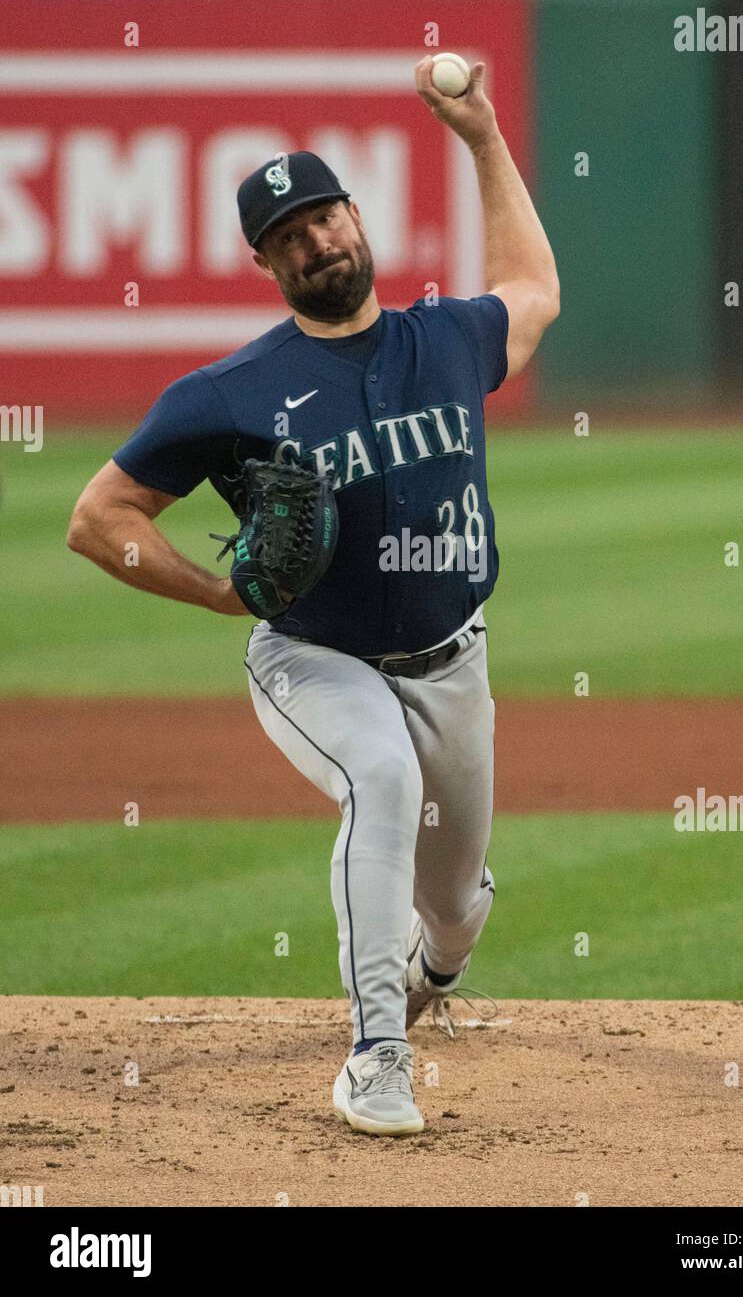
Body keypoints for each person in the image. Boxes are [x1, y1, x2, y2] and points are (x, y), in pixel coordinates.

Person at [67, 57, 559, 1137]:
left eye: (324, 217)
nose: (315, 241)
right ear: (264, 262)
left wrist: (479, 135)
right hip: (313, 657)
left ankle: (435, 965)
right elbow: (98, 517)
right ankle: (375, 1055)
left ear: (355, 219)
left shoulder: (445, 339)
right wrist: (217, 596)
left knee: (457, 906)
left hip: (452, 656)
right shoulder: (226, 392)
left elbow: (533, 291)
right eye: (287, 234)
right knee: (377, 775)